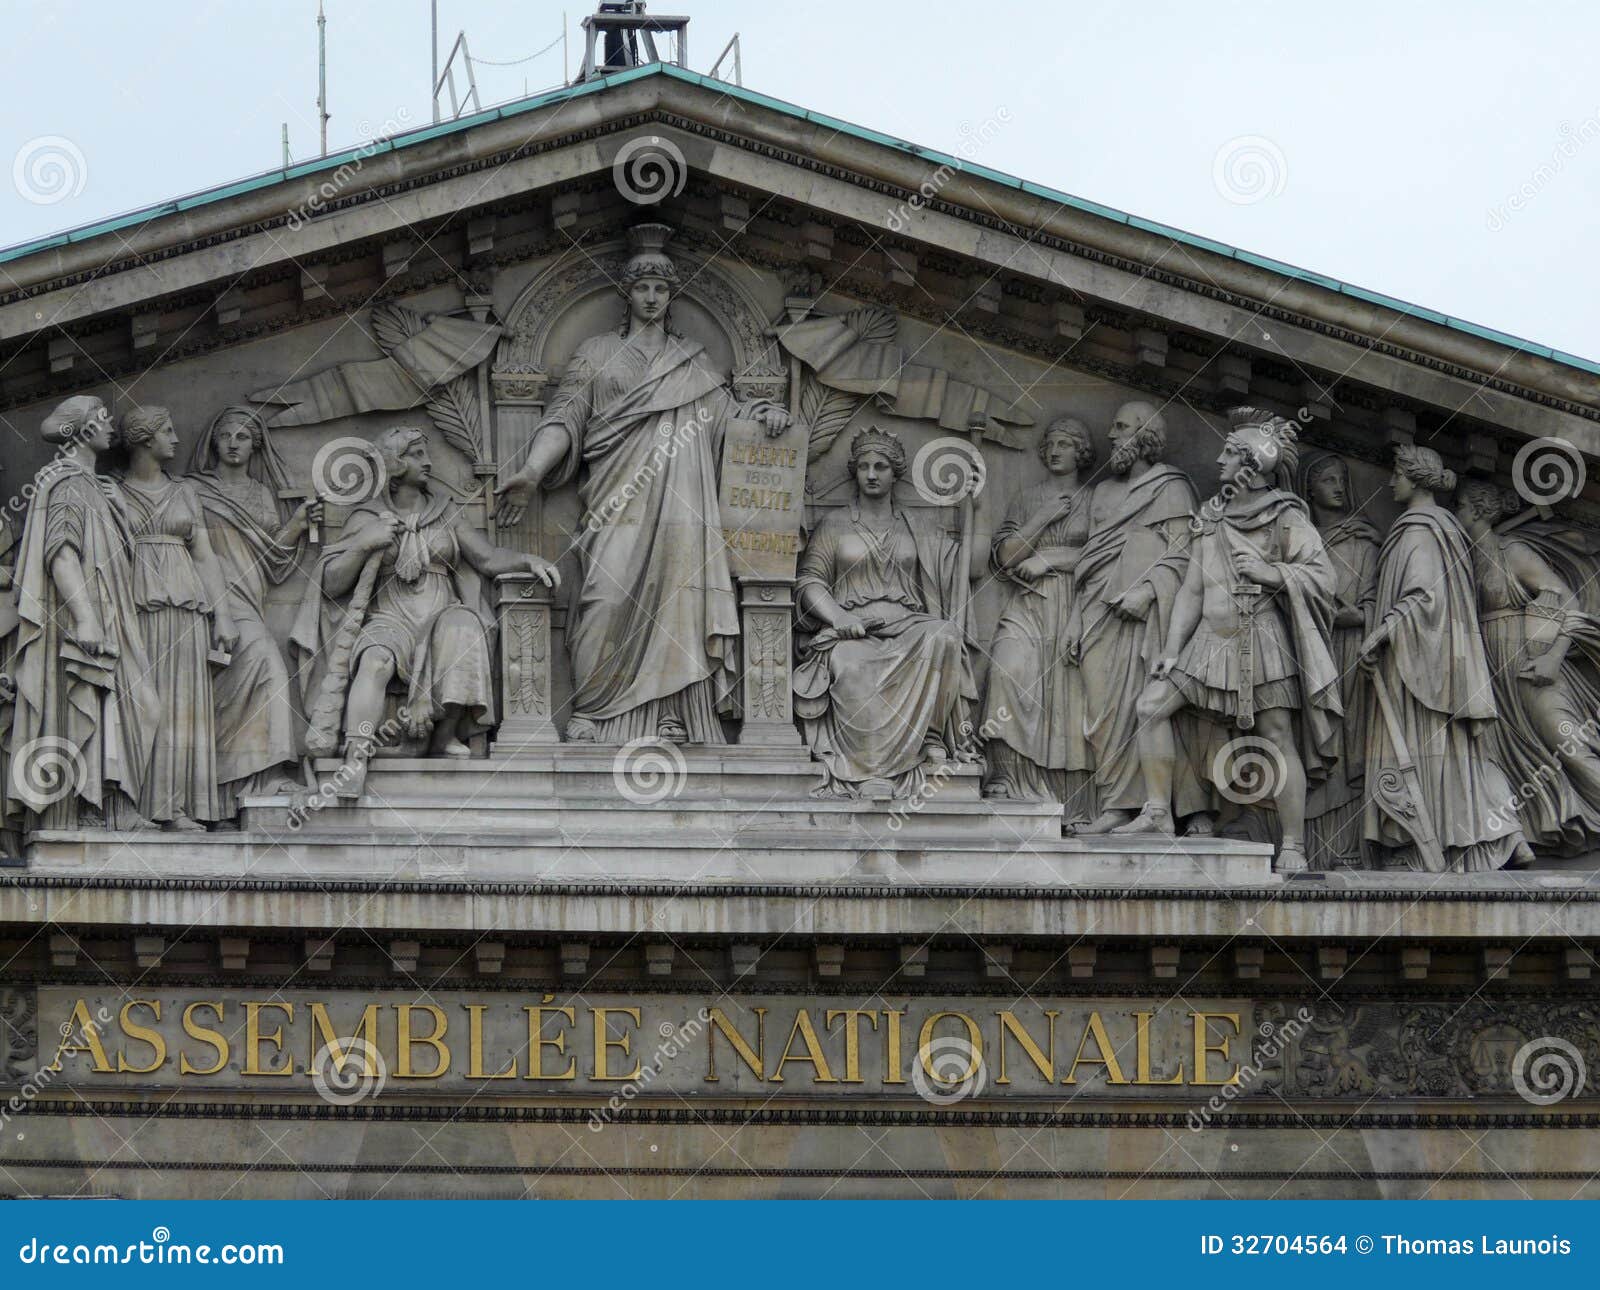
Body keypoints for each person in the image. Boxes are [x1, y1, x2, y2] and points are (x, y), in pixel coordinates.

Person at [494, 223, 789, 744]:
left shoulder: (691, 359)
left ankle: (672, 712)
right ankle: (591, 710)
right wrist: (532, 473)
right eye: (641, 288)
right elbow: (565, 418)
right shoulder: (597, 352)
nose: (651, 297)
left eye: (660, 289)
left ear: (670, 297)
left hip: (683, 506)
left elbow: (727, 421)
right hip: (616, 499)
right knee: (604, 597)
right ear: (626, 294)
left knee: (680, 596)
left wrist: (764, 413)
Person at [1119, 410, 1341, 872]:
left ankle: (1294, 845)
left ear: (1252, 463)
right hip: (1206, 641)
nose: (1218, 458)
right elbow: (1192, 589)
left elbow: (1323, 577)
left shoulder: (1285, 513)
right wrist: (1172, 649)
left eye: (1229, 451)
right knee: (1150, 707)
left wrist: (1270, 572)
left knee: (1276, 735)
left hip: (1260, 638)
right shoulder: (1212, 514)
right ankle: (1158, 812)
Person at [293, 426, 559, 794]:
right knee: (374, 661)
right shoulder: (365, 516)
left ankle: (444, 735)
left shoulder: (444, 512)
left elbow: (486, 557)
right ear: (395, 463)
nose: (428, 461)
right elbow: (333, 582)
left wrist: (528, 559)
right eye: (417, 454)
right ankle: (357, 753)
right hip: (389, 615)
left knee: (465, 628)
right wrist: (363, 545)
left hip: (440, 610)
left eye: (425, 453)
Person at [1360, 446, 1533, 871]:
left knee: (1436, 750)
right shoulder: (1442, 527)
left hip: (1422, 662)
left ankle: (1445, 843)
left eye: (1396, 473)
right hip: (1436, 659)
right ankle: (1502, 832)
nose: (1389, 482)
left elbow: (1422, 597)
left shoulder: (1420, 529)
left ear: (1416, 478)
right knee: (1460, 754)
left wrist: (1380, 634)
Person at [794, 427, 976, 797]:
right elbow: (810, 581)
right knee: (850, 665)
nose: (872, 474)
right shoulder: (836, 524)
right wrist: (841, 619)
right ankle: (870, 769)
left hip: (910, 626)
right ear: (854, 472)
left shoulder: (918, 525)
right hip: (853, 631)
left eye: (881, 466)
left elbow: (970, 569)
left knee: (944, 636)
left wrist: (976, 510)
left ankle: (932, 739)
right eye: (864, 466)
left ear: (896, 473)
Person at [4, 396, 158, 833]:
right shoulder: (70, 483)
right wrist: (86, 617)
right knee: (120, 703)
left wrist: (121, 510)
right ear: (83, 430)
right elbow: (61, 554)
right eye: (102, 419)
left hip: (116, 615)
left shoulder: (95, 486)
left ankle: (113, 804)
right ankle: (98, 807)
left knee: (140, 706)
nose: (111, 427)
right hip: (90, 618)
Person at [1069, 401, 1204, 833]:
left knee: (1144, 707)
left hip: (1146, 618)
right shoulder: (1103, 493)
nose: (1111, 435)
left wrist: (1148, 592)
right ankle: (1113, 803)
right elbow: (1089, 559)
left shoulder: (1173, 489)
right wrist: (1075, 617)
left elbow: (1185, 557)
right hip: (1095, 609)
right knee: (1101, 711)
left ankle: (1156, 807)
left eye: (1121, 427)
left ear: (1145, 435)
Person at [187, 405, 322, 821]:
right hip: (204, 598)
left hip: (249, 597)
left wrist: (298, 523)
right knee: (266, 667)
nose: (233, 444)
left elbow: (276, 557)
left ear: (255, 445)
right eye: (226, 435)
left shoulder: (262, 494)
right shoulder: (192, 488)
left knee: (263, 673)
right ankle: (235, 780)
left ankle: (251, 779)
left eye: (243, 437)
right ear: (213, 441)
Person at [1456, 479, 1600, 852]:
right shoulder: (1464, 559)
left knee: (1569, 745)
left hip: (1530, 666)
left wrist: (1552, 658)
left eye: (1459, 507)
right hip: (1490, 671)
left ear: (1477, 510)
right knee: (1499, 757)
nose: (1455, 514)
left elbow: (1569, 604)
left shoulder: (1513, 552)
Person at [115, 406, 236, 830]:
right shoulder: (113, 493)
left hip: (186, 609)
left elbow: (205, 555)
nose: (177, 439)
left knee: (185, 706)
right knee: (144, 704)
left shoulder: (185, 492)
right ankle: (134, 805)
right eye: (168, 431)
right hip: (136, 609)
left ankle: (178, 807)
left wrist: (223, 615)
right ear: (145, 439)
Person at [980, 417, 1095, 819]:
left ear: (1081, 452)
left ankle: (1074, 800)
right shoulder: (1029, 499)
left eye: (1066, 443)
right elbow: (1007, 556)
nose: (1056, 450)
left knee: (1072, 697)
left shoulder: (1097, 500)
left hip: (1077, 607)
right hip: (1027, 607)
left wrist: (1051, 558)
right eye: (1051, 444)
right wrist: (1043, 517)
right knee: (1006, 672)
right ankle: (1007, 779)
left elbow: (1112, 554)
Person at [1300, 453, 1380, 867]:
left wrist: (1343, 615)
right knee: (1308, 746)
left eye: (1342, 480)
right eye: (1327, 480)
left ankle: (1349, 850)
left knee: (1348, 746)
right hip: (1305, 656)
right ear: (1308, 489)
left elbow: (1373, 609)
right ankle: (1307, 848)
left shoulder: (1364, 541)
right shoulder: (1298, 539)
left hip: (1348, 652)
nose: (1338, 487)